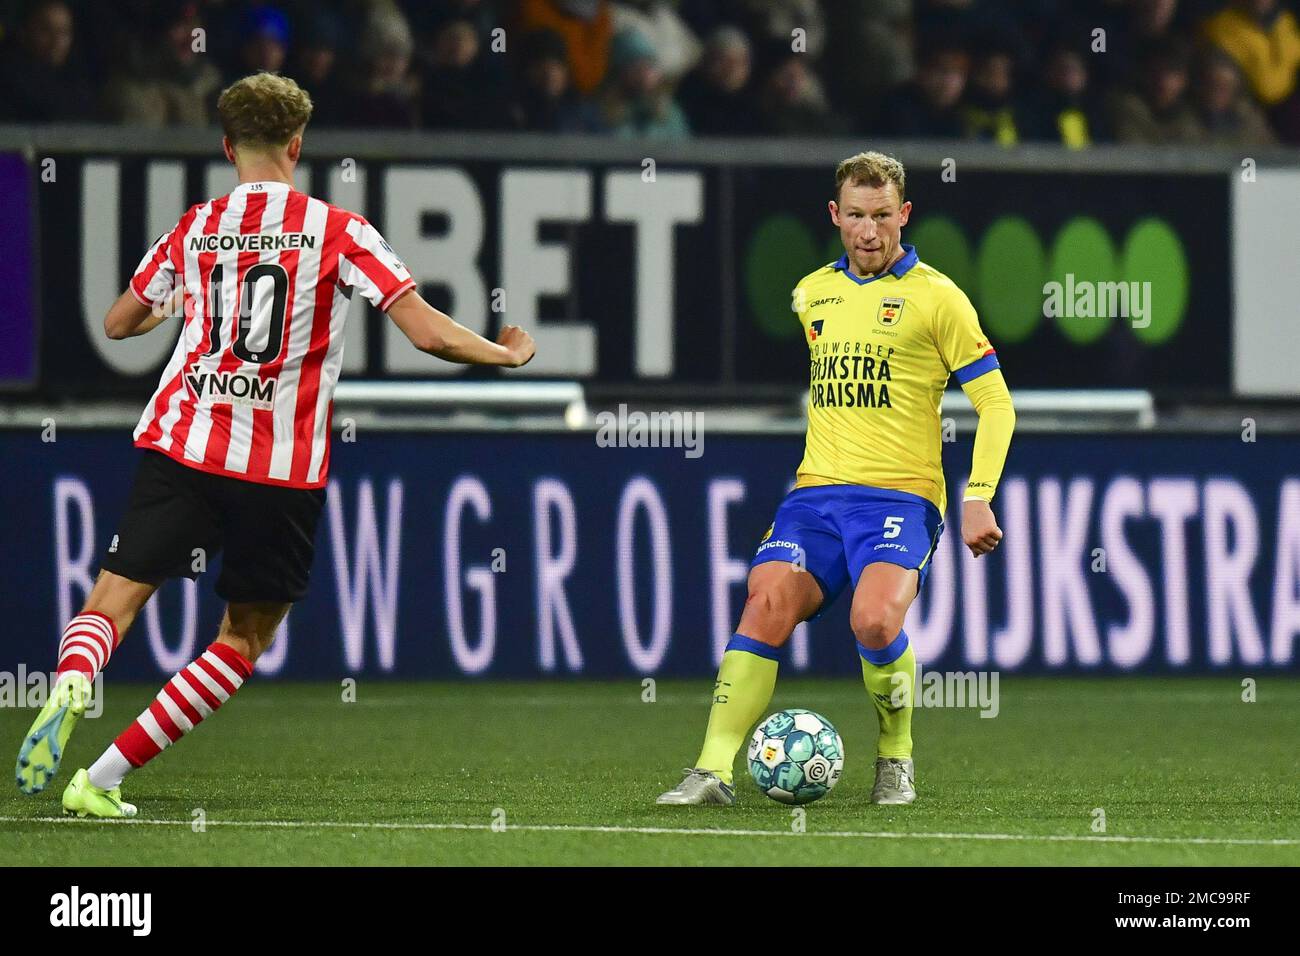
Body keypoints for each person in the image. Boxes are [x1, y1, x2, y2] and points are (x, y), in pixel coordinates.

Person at [14, 72, 536, 819]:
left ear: (227, 147)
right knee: (242, 639)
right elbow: (427, 332)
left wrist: (186, 300)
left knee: (115, 597)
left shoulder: (197, 227)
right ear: (298, 145)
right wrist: (504, 354)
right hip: (277, 471)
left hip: (184, 442)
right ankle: (100, 778)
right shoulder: (340, 231)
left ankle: (73, 679)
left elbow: (119, 322)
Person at [658, 151, 1015, 807]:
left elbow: (996, 403)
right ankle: (711, 772)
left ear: (904, 215)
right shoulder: (811, 292)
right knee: (765, 601)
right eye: (856, 216)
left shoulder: (939, 299)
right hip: (815, 496)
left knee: (875, 622)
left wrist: (978, 496)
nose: (870, 231)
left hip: (900, 498)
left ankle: (895, 758)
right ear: (836, 216)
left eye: (883, 216)